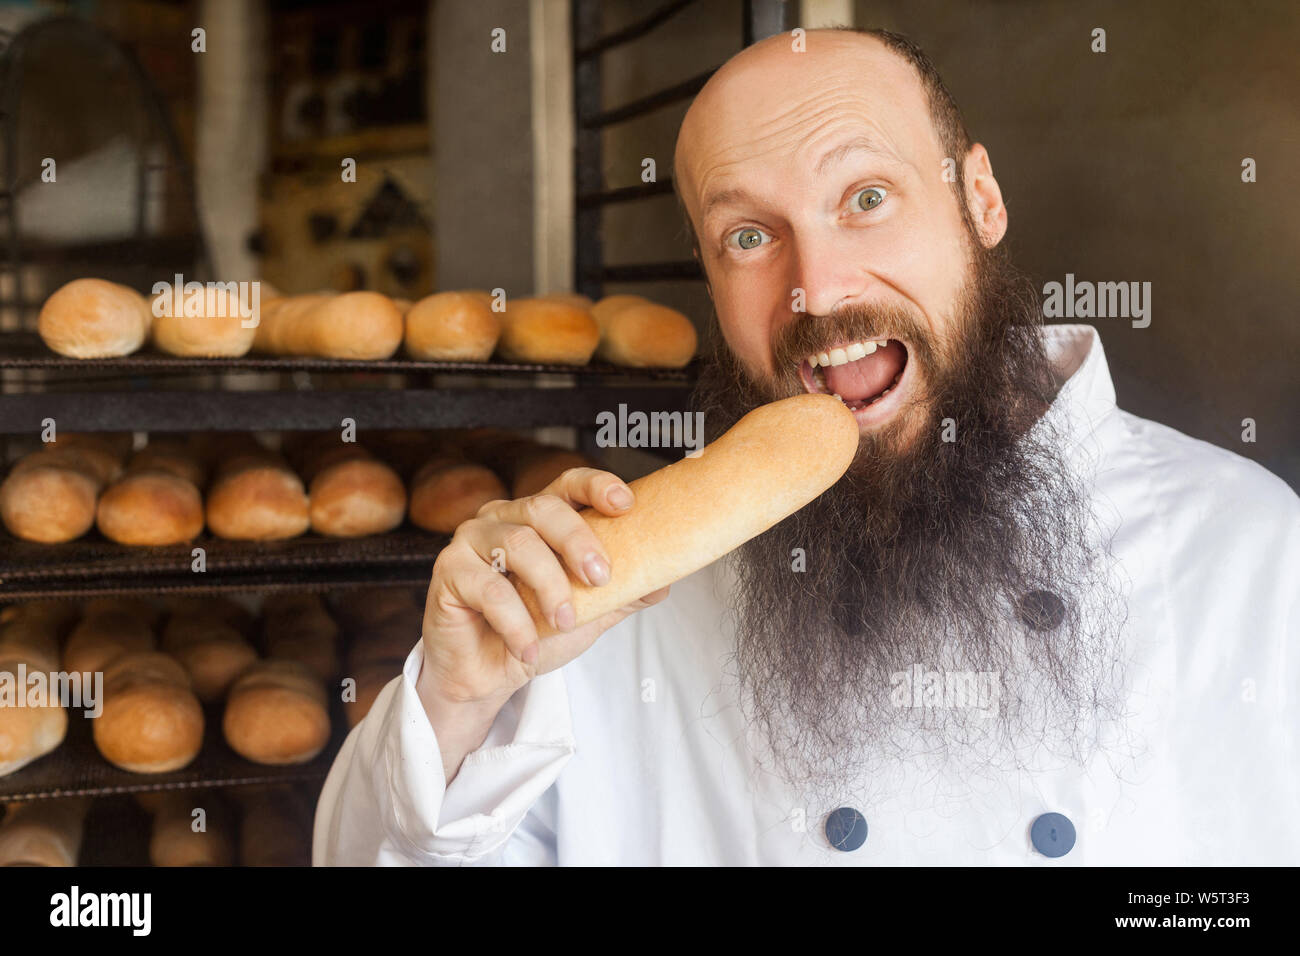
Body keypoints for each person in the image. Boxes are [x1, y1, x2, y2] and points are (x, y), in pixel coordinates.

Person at [314, 27, 1299, 865]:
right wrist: (457, 696)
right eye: (748, 236)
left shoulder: (1252, 552)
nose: (817, 290)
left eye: (866, 196)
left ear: (981, 201)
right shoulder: (616, 594)